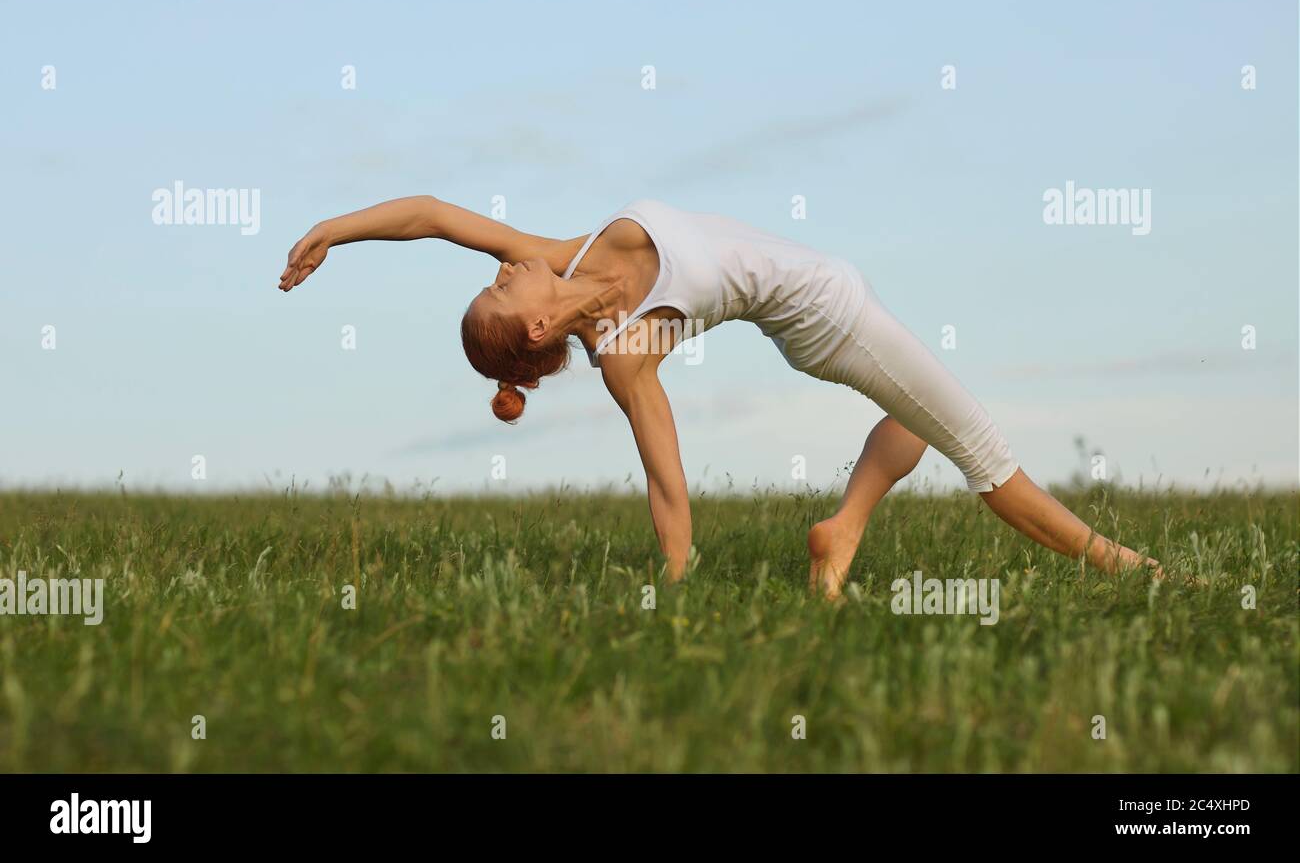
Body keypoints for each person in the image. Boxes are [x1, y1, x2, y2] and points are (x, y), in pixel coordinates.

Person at [280, 195, 1161, 597]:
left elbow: (434, 215)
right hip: (832, 319)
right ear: (538, 331)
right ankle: (1131, 570)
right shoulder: (628, 355)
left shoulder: (568, 255)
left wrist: (335, 232)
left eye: (498, 274)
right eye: (503, 288)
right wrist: (672, 584)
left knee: (914, 423)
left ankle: (841, 532)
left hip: (820, 304)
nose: (506, 268)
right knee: (986, 454)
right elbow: (668, 483)